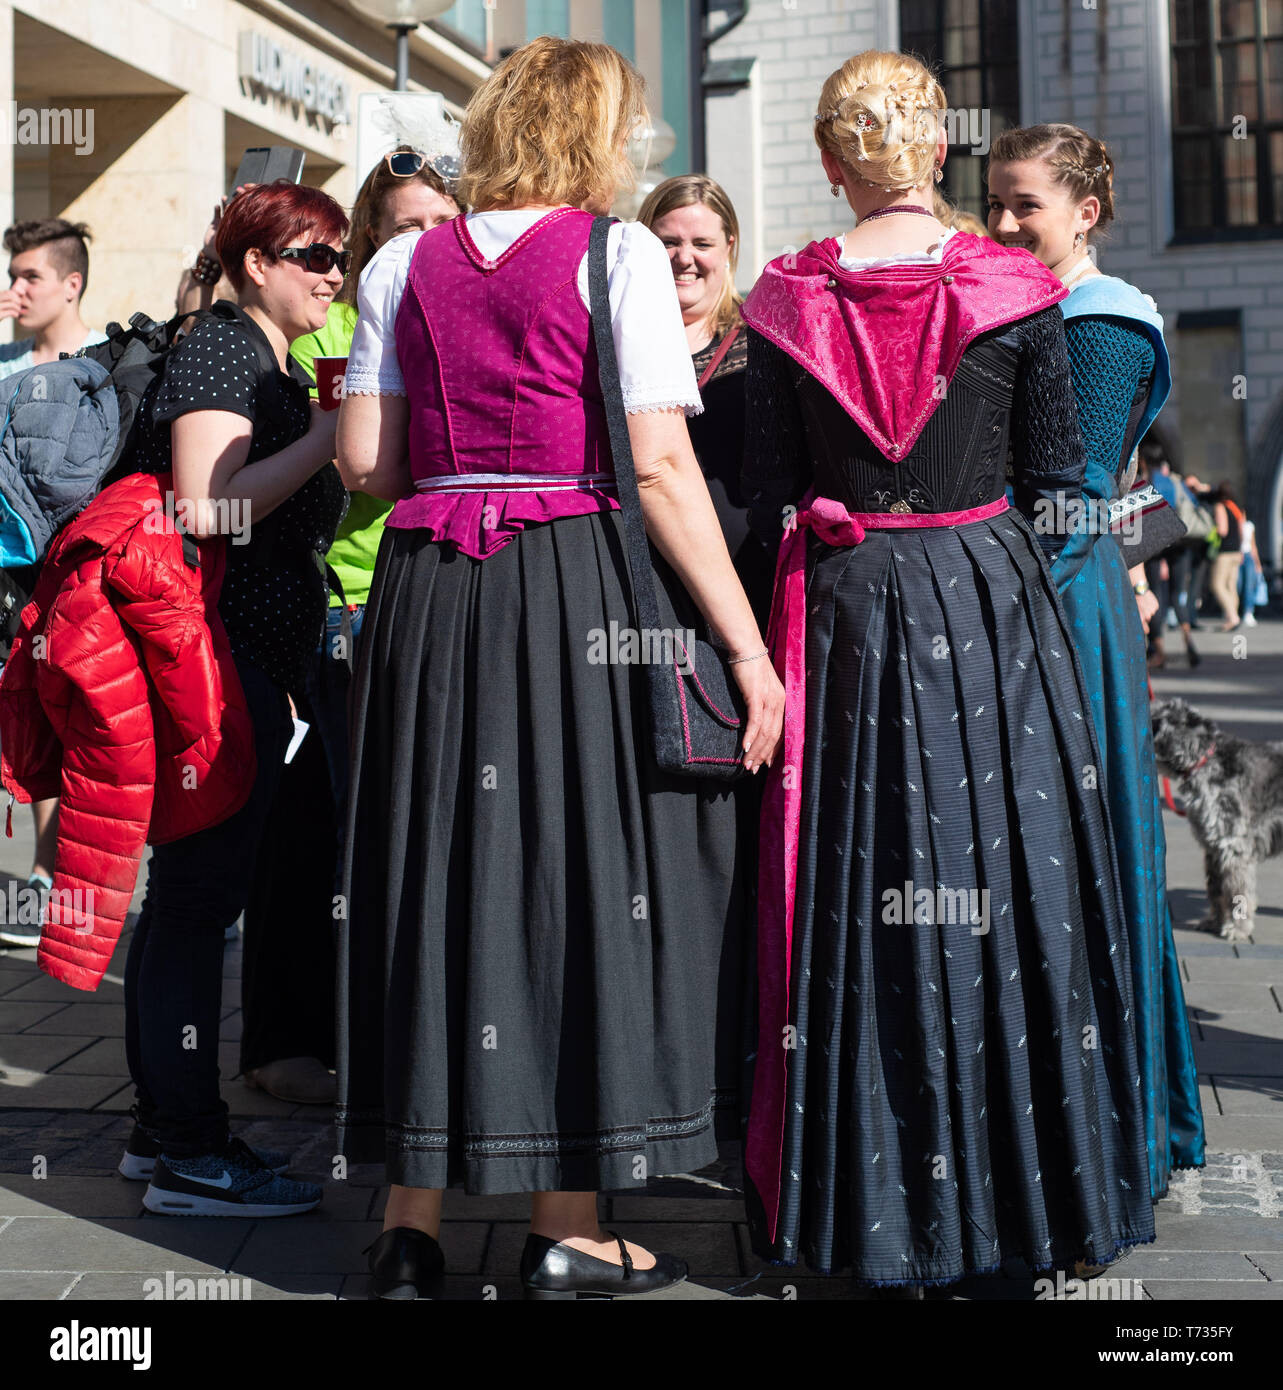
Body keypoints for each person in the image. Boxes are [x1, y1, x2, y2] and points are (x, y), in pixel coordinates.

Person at [336, 36, 782, 1301]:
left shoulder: (396, 260)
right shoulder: (616, 252)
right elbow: (656, 467)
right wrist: (746, 650)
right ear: (591, 134)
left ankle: (408, 1227)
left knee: (429, 873)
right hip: (570, 577)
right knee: (578, 869)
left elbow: (367, 462)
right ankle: (564, 1226)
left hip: (427, 597)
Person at [739, 49, 1154, 1287]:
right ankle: (1017, 1198)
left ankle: (862, 1202)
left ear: (827, 162)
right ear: (936, 152)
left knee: (856, 892)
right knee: (1008, 880)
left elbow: (765, 495)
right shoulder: (1017, 287)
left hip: (850, 605)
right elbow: (1057, 477)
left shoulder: (781, 299)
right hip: (985, 605)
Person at [120, 181, 349, 1216]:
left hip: (242, 662)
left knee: (192, 899)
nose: (332, 275)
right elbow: (208, 504)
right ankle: (185, 1149)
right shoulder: (223, 347)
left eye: (338, 258)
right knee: (196, 902)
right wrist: (327, 442)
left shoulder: (270, 356)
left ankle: (160, 1133)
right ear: (256, 261)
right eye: (314, 255)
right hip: (213, 662)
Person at [988, 123, 1205, 1203]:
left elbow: (1069, 492)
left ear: (1083, 212)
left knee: (1087, 854)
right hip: (1050, 592)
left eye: (1023, 203)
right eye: (991, 201)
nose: (1000, 222)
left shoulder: (1100, 319)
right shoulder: (1035, 308)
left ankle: (1115, 1131)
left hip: (1061, 603)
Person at [236, 143, 461, 1106]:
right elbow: (351, 466)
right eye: (400, 224)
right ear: (370, 236)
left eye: (436, 224)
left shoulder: (463, 319)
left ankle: (400, 1037)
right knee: (332, 834)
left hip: (444, 601)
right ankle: (303, 1044)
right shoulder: (336, 332)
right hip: (348, 605)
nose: (418, 240)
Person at [0, 219, 107, 946]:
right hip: (9, 585)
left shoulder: (106, 365)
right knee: (25, 729)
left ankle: (57, 879)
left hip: (75, 585)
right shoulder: (3, 363)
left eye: (30, 276)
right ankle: (45, 879)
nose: (16, 290)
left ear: (71, 283)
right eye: (12, 276)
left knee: (73, 729)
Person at [638, 175, 772, 624]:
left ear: (729, 246)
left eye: (702, 243)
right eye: (668, 242)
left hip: (744, 566)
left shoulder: (762, 341)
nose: (684, 258)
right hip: (643, 571)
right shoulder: (617, 343)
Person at [1210, 483, 1245, 630]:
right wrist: (1242, 550)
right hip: (1237, 551)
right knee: (1231, 586)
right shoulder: (1236, 508)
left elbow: (1223, 530)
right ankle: (1232, 617)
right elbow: (1242, 531)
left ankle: (1232, 617)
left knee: (1217, 585)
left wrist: (1212, 529)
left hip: (1224, 552)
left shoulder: (1220, 506)